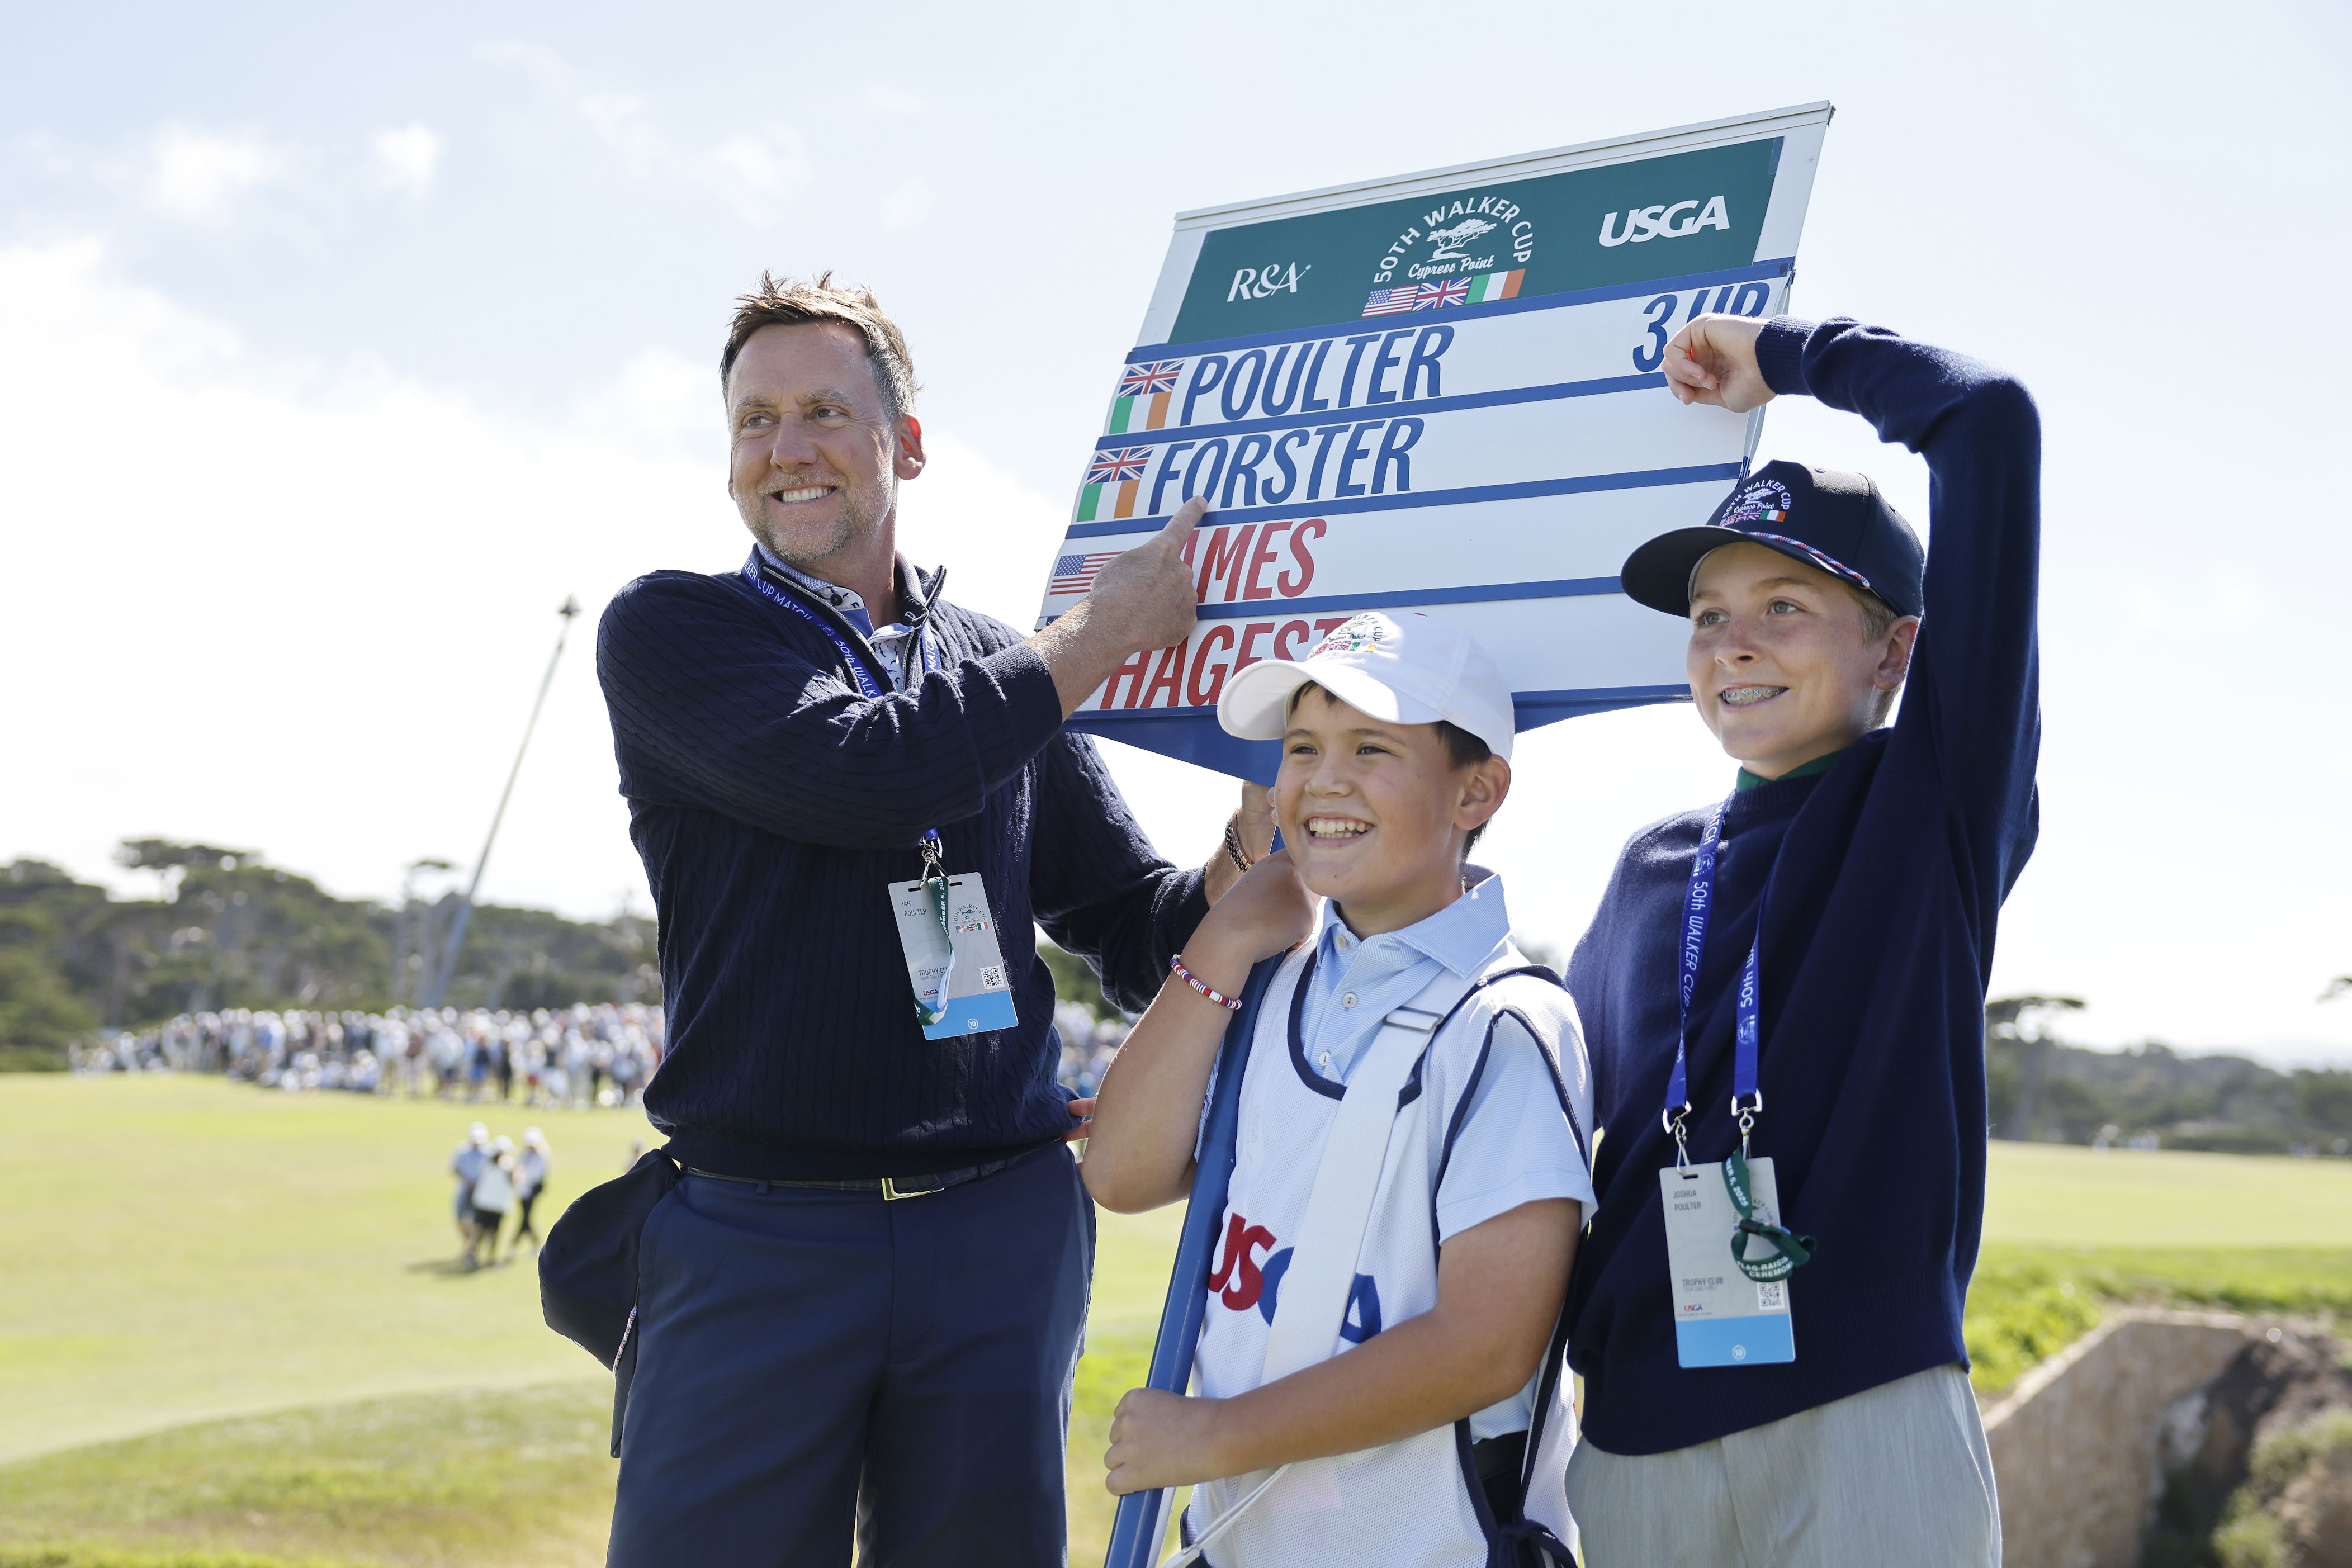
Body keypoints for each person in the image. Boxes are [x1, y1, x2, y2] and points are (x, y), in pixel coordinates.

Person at [590, 272, 1269, 1567]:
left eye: (824, 412)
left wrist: (1251, 844)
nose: (786, 446)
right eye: (755, 420)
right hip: (759, 1226)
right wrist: (1100, 634)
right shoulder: (673, 628)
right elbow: (869, 772)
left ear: (904, 442)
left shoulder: (996, 660)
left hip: (996, 1227)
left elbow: (1131, 926)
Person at [1556, 311, 2038, 1566]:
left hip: (1863, 1418)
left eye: (1785, 604)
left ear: (1895, 647)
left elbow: (1987, 419)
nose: (1735, 642)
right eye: (1708, 615)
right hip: (1635, 1441)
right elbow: (1553, 1137)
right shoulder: (1649, 867)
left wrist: (1785, 356)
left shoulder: (1933, 802)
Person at [1082, 612, 1595, 1567]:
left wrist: (1217, 1435)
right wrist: (1223, 938)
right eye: (1301, 747)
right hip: (1236, 1544)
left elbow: (1486, 1344)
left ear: (1475, 791)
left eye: (1370, 748)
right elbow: (1120, 1171)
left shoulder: (1505, 1022)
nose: (1323, 778)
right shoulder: (1265, 978)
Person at [469, 1135, 517, 1269]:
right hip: (496, 1204)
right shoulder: (508, 1164)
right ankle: (489, 1257)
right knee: (490, 1232)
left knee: (480, 1230)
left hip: (484, 1202)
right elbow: (515, 1180)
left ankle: (475, 1256)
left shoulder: (486, 1162)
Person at [448, 1121, 489, 1260]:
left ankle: (472, 1248)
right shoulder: (462, 1150)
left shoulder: (489, 1151)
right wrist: (467, 1181)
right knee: (460, 1218)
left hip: (481, 1191)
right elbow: (455, 1169)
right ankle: (468, 1243)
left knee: (476, 1221)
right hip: (465, 1189)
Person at [511, 1126, 550, 1255]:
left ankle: (514, 1244)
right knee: (526, 1218)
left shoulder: (541, 1156)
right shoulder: (523, 1154)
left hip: (532, 1191)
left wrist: (524, 1177)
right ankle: (535, 1244)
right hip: (522, 1190)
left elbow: (537, 1175)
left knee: (525, 1218)